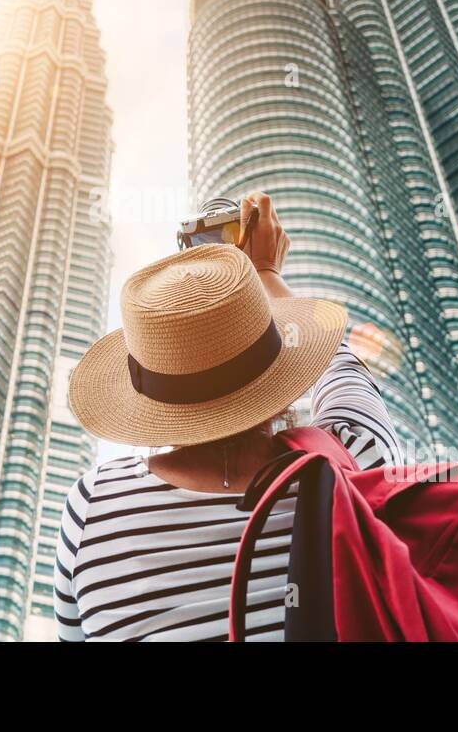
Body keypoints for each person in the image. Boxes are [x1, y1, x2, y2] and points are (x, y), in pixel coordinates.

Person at [57, 192, 402, 641]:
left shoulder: (93, 507)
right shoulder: (346, 468)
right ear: (279, 377)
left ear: (148, 402)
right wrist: (266, 274)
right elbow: (342, 368)